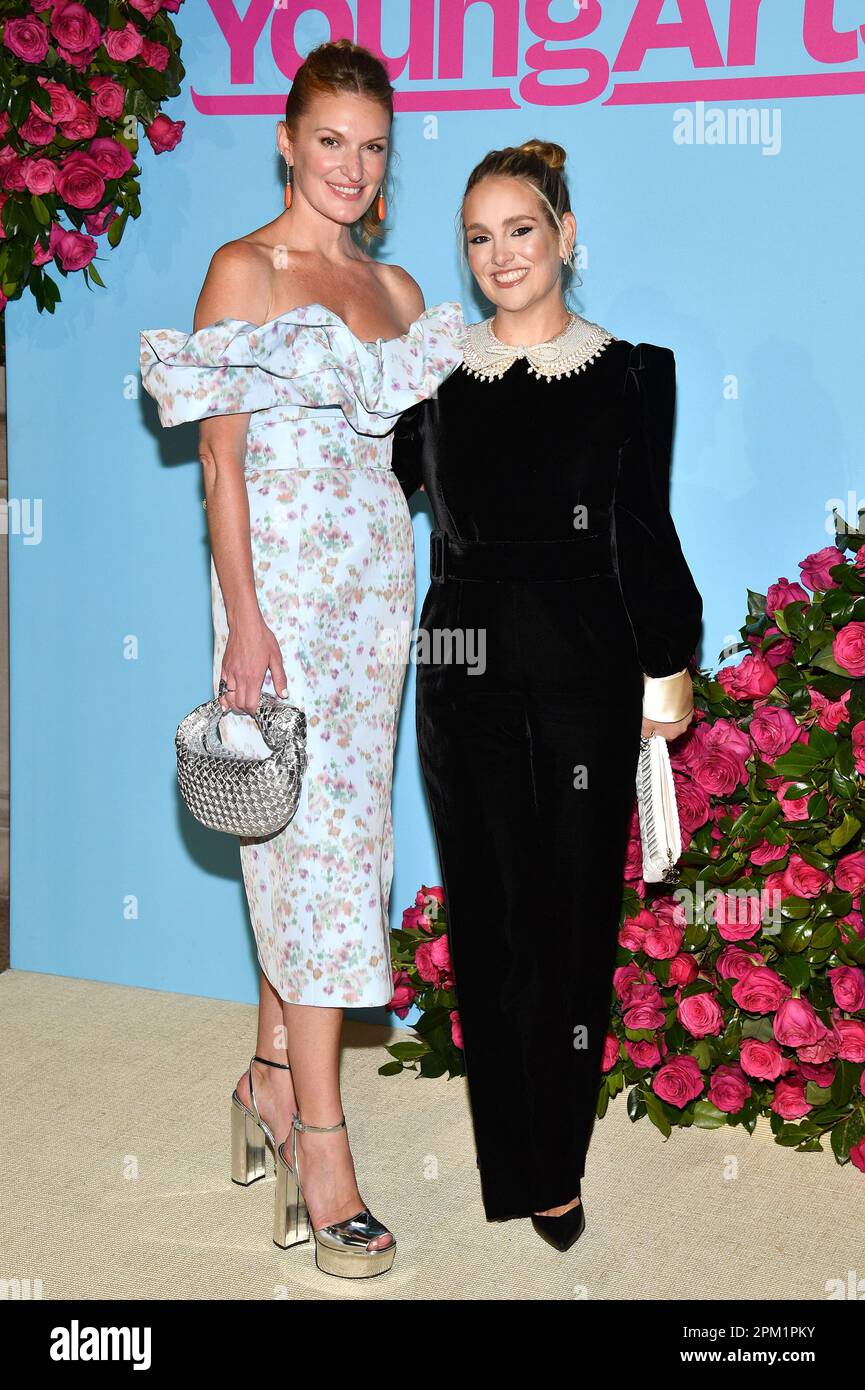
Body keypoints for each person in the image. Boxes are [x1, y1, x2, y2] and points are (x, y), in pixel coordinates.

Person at [138, 39, 465, 1279]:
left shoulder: (393, 290)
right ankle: (321, 1145)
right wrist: (246, 619)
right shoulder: (246, 269)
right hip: (276, 598)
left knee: (328, 848)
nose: (351, 165)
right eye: (330, 139)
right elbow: (219, 461)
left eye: (373, 145)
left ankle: (271, 1072)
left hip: (378, 598)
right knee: (315, 862)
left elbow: (422, 463)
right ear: (286, 140)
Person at [390, 139, 703, 1251]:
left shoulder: (633, 372)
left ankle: (555, 1163)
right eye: (478, 237)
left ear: (565, 236)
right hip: (462, 664)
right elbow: (370, 502)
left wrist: (667, 666)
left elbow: (642, 531)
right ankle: (509, 1154)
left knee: (570, 924)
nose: (499, 254)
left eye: (520, 229)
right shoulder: (427, 374)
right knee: (489, 919)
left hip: (584, 666)